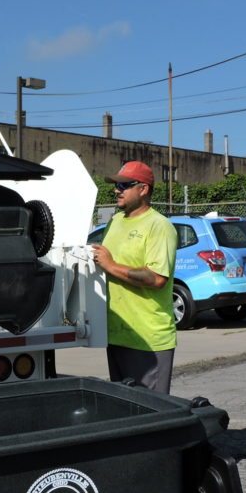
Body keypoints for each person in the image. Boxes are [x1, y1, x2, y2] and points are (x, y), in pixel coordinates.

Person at [90, 161, 178, 393]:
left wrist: (110, 265)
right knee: (125, 407)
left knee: (150, 410)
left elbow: (156, 278)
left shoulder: (159, 226)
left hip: (147, 340)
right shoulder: (115, 221)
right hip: (116, 336)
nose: (116, 190)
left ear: (143, 189)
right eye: (116, 185)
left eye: (124, 185)